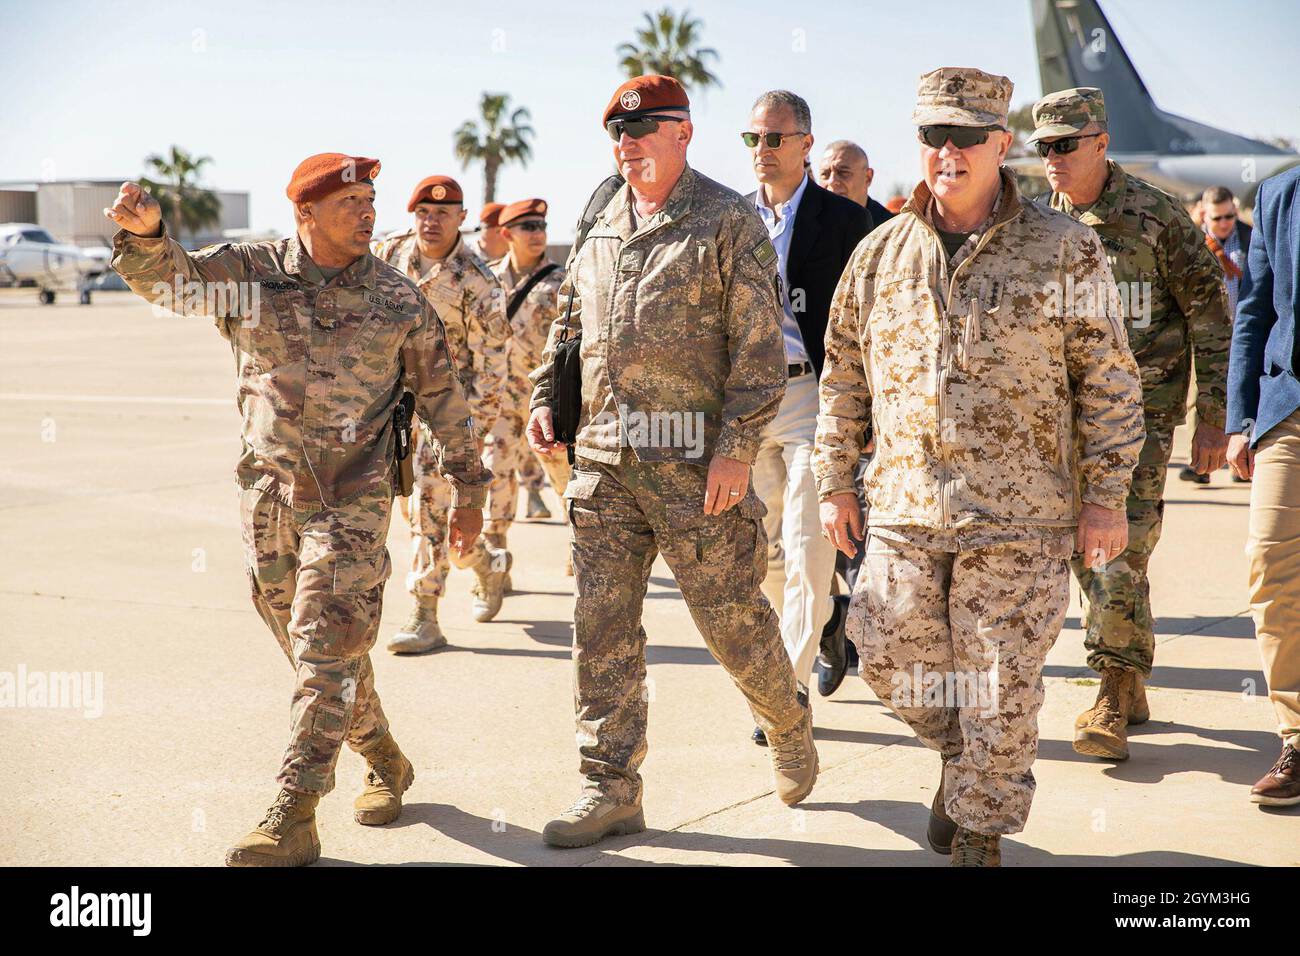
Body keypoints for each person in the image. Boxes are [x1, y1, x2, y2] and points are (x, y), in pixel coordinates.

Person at [106, 154, 489, 866]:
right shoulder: (250, 274)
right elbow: (175, 287)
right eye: (351, 202)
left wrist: (470, 490)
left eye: (372, 199)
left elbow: (445, 400)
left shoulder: (399, 299)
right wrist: (150, 237)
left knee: (323, 641)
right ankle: (384, 755)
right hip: (269, 493)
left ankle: (295, 811)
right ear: (305, 213)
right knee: (317, 649)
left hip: (354, 494)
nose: (369, 213)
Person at [815, 68, 1144, 866]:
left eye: (967, 136)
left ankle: (980, 832)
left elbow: (1108, 377)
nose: (948, 151)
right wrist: (832, 480)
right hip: (903, 507)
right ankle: (962, 760)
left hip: (1022, 514)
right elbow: (842, 373)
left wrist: (1106, 499)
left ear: (1002, 144)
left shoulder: (1064, 247)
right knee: (885, 650)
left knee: (1000, 684)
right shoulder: (879, 251)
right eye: (934, 135)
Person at [527, 74, 817, 849]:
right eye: (617, 134)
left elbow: (761, 354)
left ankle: (786, 724)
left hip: (696, 472)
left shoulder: (725, 220)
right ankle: (609, 784)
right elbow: (568, 325)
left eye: (643, 129)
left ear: (682, 132)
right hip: (603, 464)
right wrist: (542, 398)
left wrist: (734, 451)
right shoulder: (597, 218)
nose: (626, 144)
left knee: (734, 625)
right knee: (602, 627)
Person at [1030, 87, 1231, 760]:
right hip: (1062, 420)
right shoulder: (1034, 224)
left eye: (1065, 145)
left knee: (1117, 544)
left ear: (1100, 143)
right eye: (1044, 148)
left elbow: (1211, 315)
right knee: (1079, 547)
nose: (1053, 159)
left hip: (1142, 412)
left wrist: (1213, 419)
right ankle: (1129, 673)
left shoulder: (1157, 217)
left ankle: (1112, 689)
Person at [743, 90, 870, 744]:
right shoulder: (730, 221)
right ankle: (811, 638)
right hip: (745, 405)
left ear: (804, 145)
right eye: (753, 140)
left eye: (774, 138)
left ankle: (784, 694)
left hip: (814, 399)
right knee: (762, 555)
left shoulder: (844, 222)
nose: (761, 151)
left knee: (806, 550)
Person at [373, 176, 513, 652]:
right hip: (388, 408)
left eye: (443, 214)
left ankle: (424, 613)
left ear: (461, 218)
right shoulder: (386, 255)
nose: (431, 222)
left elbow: (492, 362)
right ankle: (487, 564)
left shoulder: (477, 279)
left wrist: (469, 434)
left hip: (445, 413)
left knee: (429, 509)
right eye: (423, 214)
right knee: (408, 513)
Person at [1226, 163, 1300, 807]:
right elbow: (1254, 309)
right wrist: (1239, 419)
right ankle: (1297, 738)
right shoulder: (1279, 193)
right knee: (1270, 567)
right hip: (1288, 409)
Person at [485, 198, 572, 567]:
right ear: (507, 234)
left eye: (541, 226)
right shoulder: (486, 279)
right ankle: (493, 560)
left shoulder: (561, 282)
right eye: (529, 227)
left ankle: (581, 543)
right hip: (500, 401)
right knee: (495, 475)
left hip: (545, 401)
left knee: (565, 478)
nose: (538, 234)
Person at [1182, 185, 1253, 483]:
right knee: (1201, 394)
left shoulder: (1251, 237)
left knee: (1247, 394)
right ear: (1204, 214)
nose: (1224, 223)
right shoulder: (1190, 242)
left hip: (1244, 332)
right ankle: (1200, 464)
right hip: (1205, 334)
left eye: (1228, 216)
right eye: (1217, 218)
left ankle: (1244, 460)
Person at [815, 139, 894, 231]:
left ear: (868, 177)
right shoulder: (807, 223)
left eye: (843, 173)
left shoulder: (890, 230)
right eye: (825, 174)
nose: (832, 181)